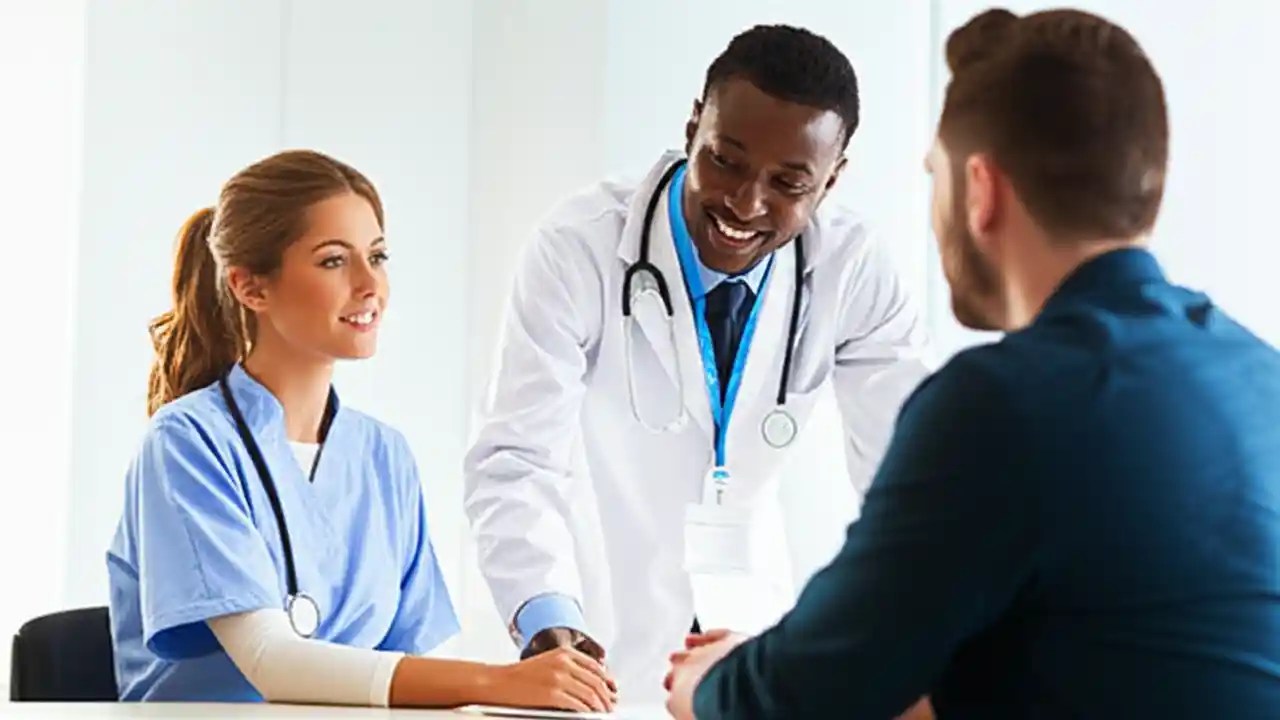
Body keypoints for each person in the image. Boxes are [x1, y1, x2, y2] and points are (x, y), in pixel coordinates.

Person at [664, 7, 1280, 719]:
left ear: (980, 189)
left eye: (936, 177)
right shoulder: (1259, 378)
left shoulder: (1003, 403)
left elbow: (800, 699)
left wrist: (710, 682)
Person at [464, 24, 931, 699]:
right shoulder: (579, 248)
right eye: (726, 161)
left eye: (789, 183)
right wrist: (544, 612)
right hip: (595, 639)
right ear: (693, 128)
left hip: (757, 648)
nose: (745, 203)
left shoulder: (852, 270)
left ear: (832, 181)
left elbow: (905, 475)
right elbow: (516, 458)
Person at [106, 149, 616, 712]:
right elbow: (272, 662)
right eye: (333, 261)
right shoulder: (188, 442)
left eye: (378, 256)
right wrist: (496, 682)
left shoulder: (382, 456)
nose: (370, 284)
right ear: (252, 288)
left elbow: (414, 659)